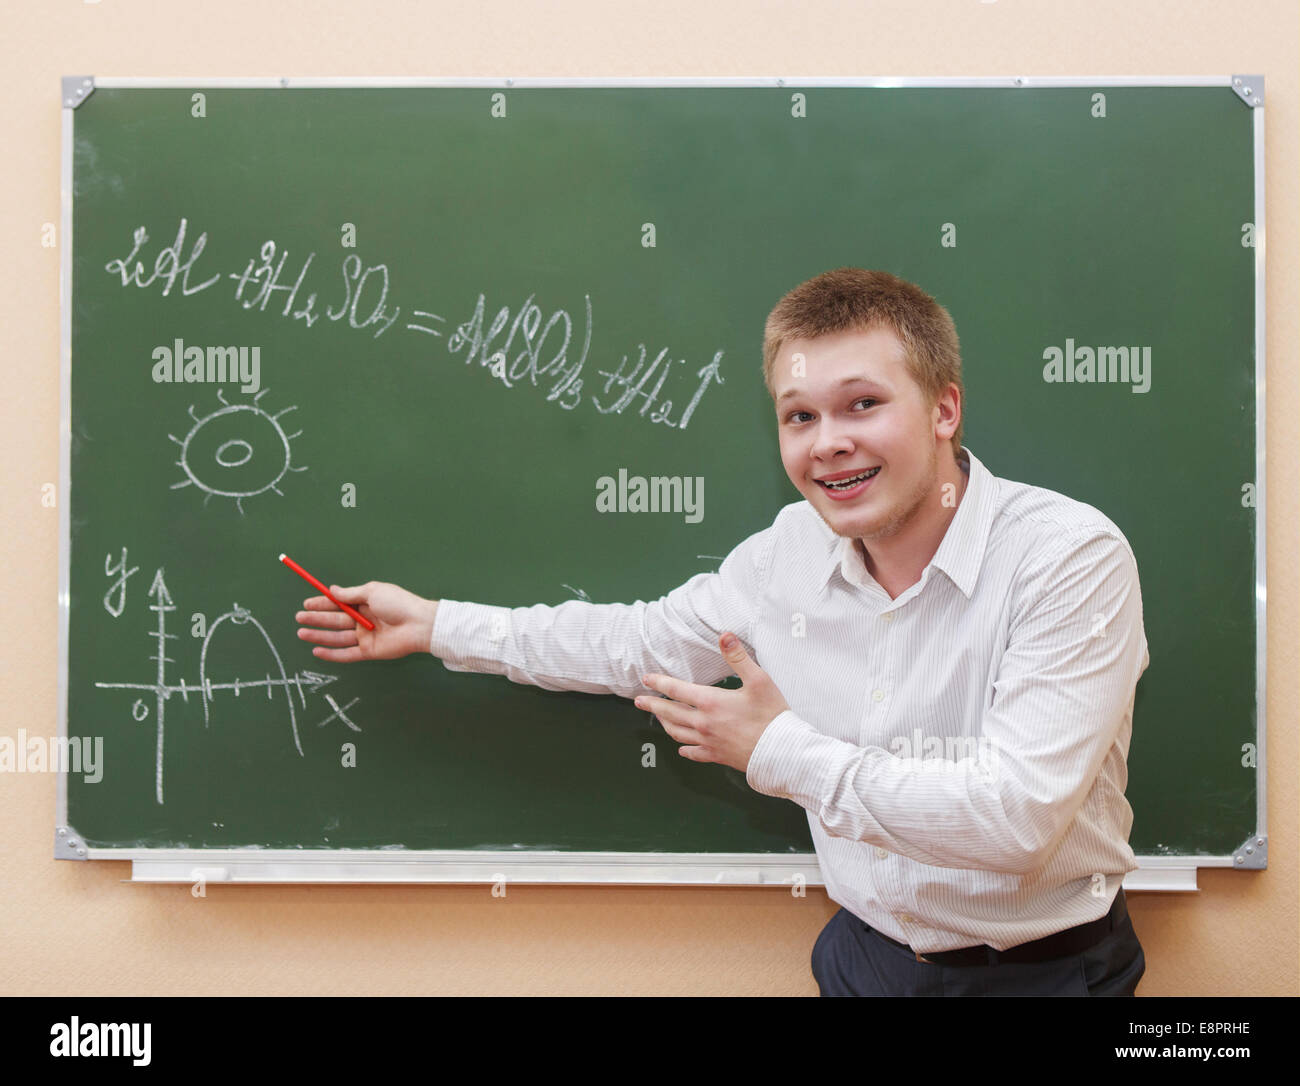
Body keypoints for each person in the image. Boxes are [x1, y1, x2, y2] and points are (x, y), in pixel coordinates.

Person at [294, 267, 1149, 997]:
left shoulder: (1066, 558)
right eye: (799, 416)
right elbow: (637, 644)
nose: (830, 445)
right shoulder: (785, 555)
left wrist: (776, 750)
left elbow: (1014, 819)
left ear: (944, 409)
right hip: (863, 960)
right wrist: (440, 624)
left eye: (863, 404)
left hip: (1043, 974)